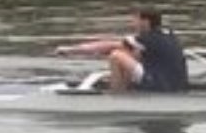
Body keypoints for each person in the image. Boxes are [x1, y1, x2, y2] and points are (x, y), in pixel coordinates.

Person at [54, 9, 189, 92]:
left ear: (146, 22)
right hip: (178, 82)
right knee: (132, 53)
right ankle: (126, 83)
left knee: (116, 55)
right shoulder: (169, 33)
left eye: (136, 20)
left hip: (160, 84)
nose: (133, 23)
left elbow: (106, 46)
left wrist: (70, 50)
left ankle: (117, 94)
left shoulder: (144, 38)